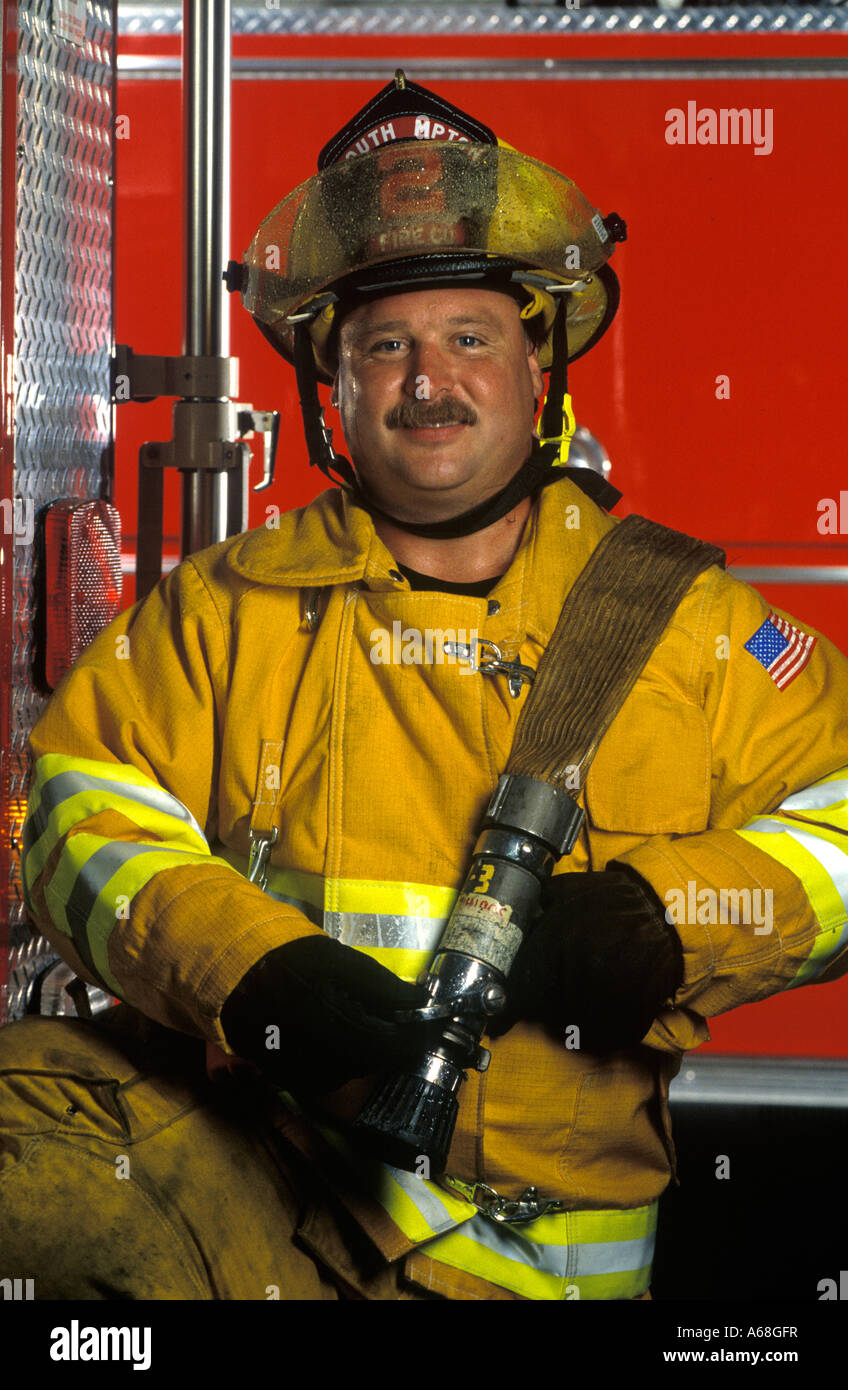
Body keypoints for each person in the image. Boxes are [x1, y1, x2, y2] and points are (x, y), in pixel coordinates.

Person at [1, 74, 847, 1303]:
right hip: (272, 1193)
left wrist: (677, 919)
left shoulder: (687, 623)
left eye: (469, 337)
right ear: (328, 393)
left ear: (538, 367)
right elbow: (78, 816)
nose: (426, 380)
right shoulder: (222, 611)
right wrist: (251, 973)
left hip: (544, 1267)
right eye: (383, 344)